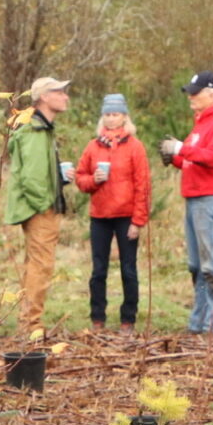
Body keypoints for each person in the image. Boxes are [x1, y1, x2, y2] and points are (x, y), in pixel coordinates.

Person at [161, 71, 213, 337]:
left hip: (212, 200)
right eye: (190, 92)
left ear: (212, 94)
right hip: (195, 199)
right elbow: (197, 160)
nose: (191, 97)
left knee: (211, 266)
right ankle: (199, 323)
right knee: (196, 265)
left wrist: (181, 148)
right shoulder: (202, 123)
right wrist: (176, 159)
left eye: (196, 92)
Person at [72, 93, 151, 332]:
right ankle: (98, 317)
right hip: (100, 216)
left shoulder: (135, 147)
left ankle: (128, 318)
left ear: (124, 117)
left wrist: (138, 221)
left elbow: (143, 185)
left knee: (128, 269)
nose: (110, 118)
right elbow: (79, 177)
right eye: (107, 114)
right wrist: (93, 180)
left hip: (127, 216)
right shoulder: (93, 146)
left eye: (115, 114)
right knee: (98, 270)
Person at [2, 76, 70, 332]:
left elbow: (38, 171)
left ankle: (28, 322)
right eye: (60, 92)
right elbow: (30, 178)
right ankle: (31, 326)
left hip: (42, 205)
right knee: (41, 266)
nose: (65, 97)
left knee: (36, 265)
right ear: (44, 97)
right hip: (40, 209)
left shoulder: (42, 128)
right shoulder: (34, 130)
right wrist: (44, 205)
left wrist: (60, 178)